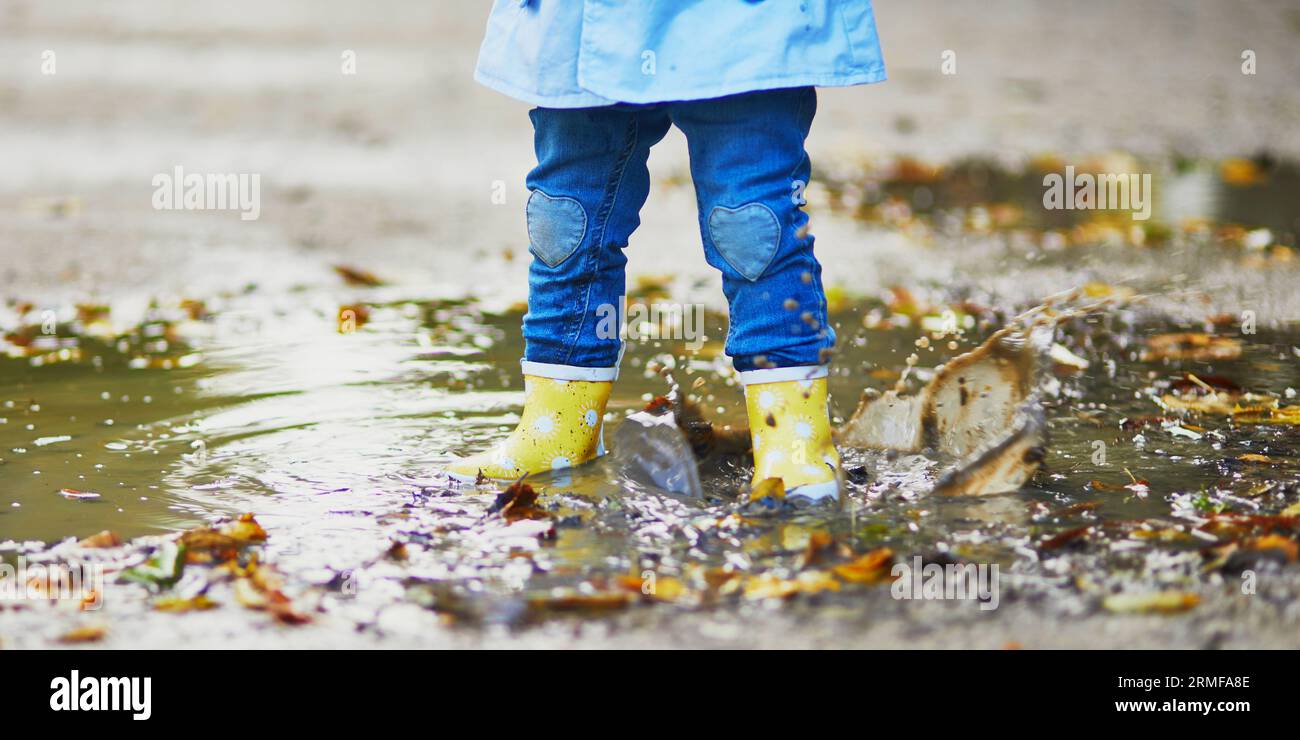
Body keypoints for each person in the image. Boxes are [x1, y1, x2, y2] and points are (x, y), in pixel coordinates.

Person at [449, 0, 886, 502]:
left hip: (745, 26)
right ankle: (558, 427)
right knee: (565, 216)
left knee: (751, 223)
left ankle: (792, 436)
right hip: (579, 23)